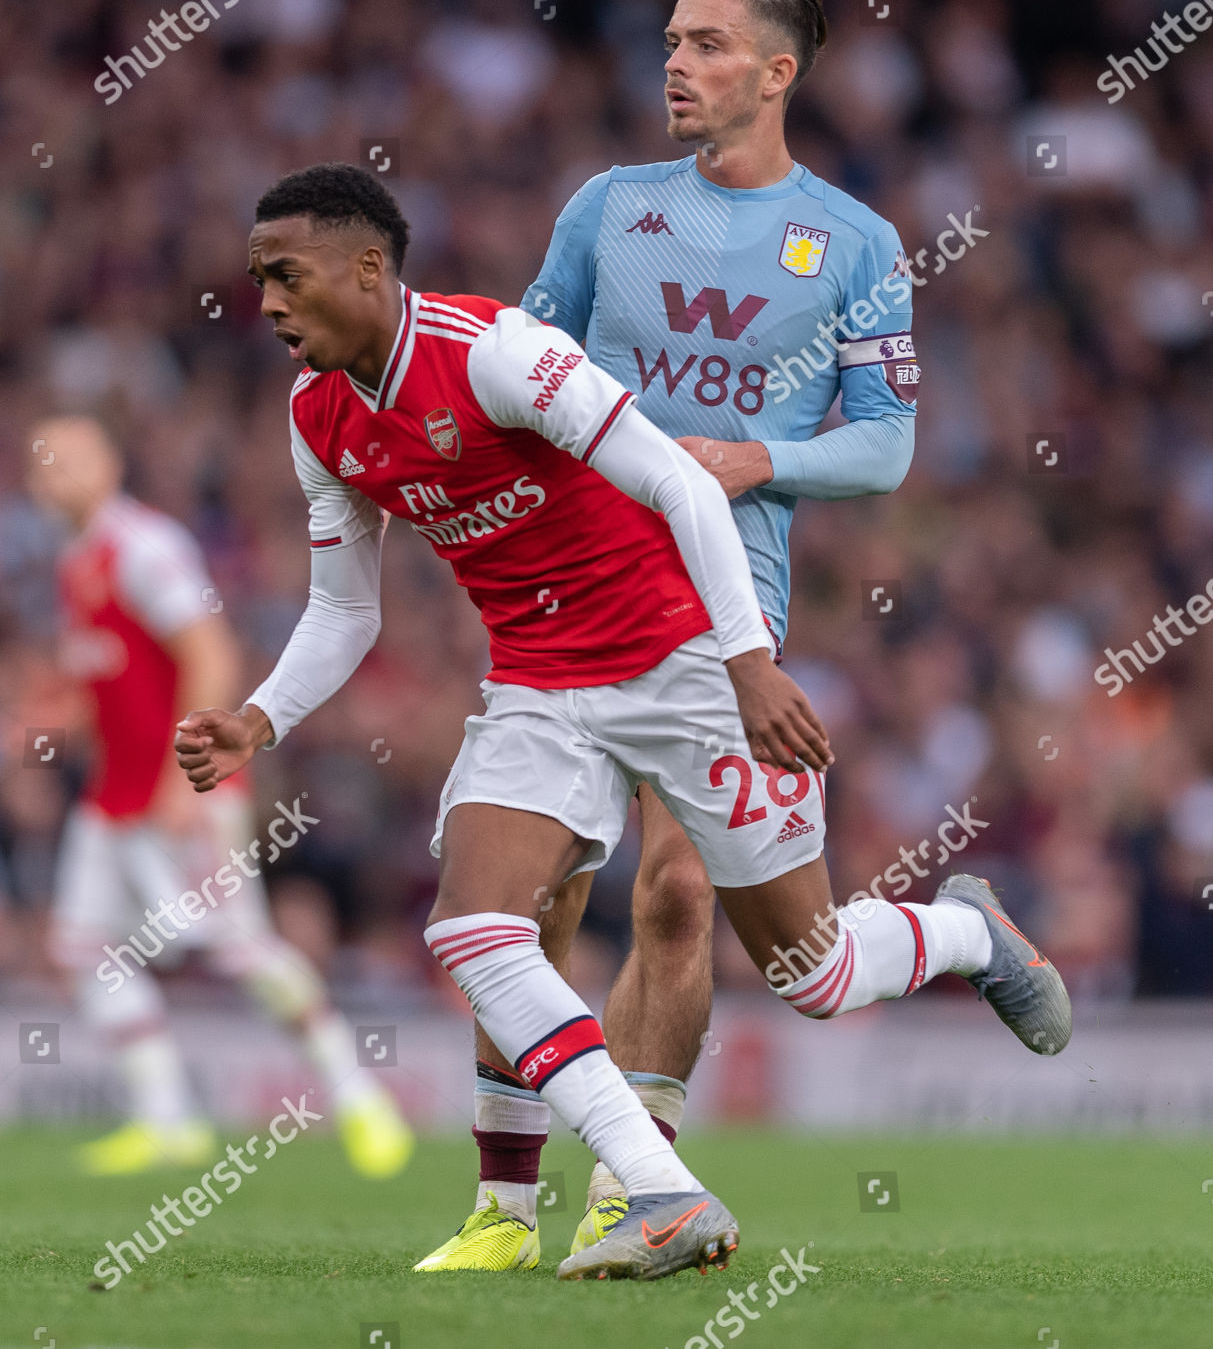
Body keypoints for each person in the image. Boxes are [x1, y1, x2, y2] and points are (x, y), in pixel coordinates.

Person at [172, 163, 1071, 1282]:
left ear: (368, 268)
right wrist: (259, 719)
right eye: (258, 281)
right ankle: (653, 1191)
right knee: (474, 927)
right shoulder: (318, 421)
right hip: (542, 687)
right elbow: (347, 607)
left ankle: (972, 931)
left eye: (287, 277)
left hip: (683, 660)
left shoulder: (493, 351)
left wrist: (747, 663)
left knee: (814, 974)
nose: (265, 304)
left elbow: (682, 486)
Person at [428, 0, 929, 1268]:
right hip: (568, 591)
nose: (675, 64)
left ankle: (629, 1186)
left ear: (776, 73)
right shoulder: (605, 208)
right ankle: (500, 1213)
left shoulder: (861, 245)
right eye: (669, 41)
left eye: (707, 45)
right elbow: (515, 367)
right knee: (532, 903)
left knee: (670, 898)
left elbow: (884, 447)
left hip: (721, 610)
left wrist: (755, 460)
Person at [27, 415, 413, 1178]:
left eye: (72, 457)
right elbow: (110, 676)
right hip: (115, 794)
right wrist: (49, 718)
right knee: (81, 947)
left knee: (240, 950)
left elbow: (209, 652)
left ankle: (358, 1094)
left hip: (181, 788)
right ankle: (167, 1121)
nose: (54, 474)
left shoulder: (143, 547)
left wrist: (184, 779)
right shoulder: (77, 559)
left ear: (110, 463)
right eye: (43, 463)